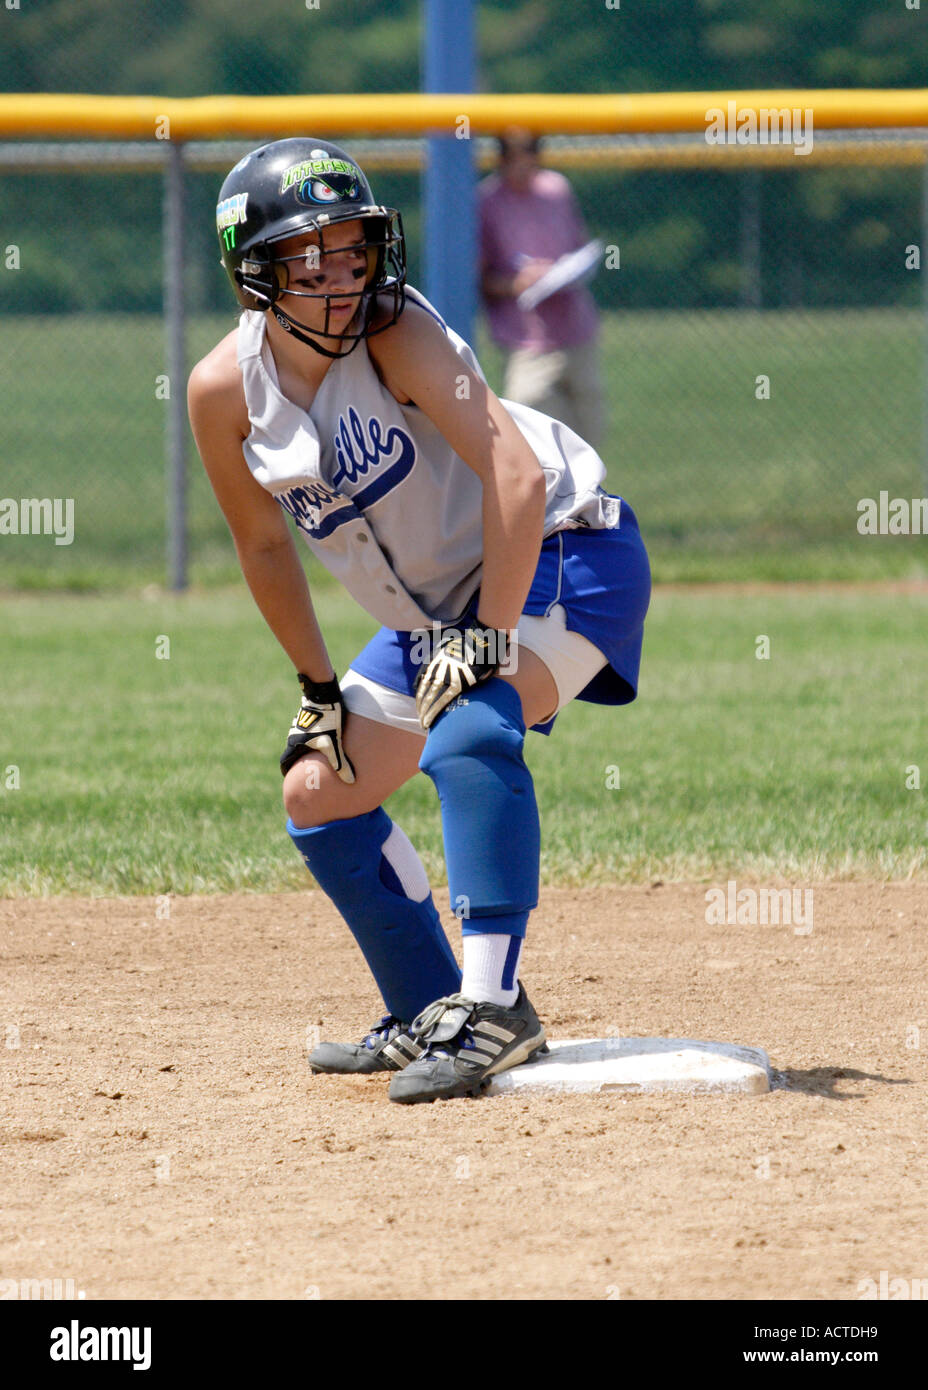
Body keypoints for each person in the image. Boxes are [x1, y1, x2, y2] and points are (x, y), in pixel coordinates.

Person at [188, 137, 650, 1105]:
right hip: (432, 610)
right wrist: (318, 687)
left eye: (351, 246)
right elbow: (264, 547)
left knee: (471, 725)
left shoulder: (398, 331)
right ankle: (428, 1006)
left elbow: (516, 477)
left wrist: (484, 633)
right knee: (321, 788)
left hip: (566, 551)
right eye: (305, 258)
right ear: (251, 273)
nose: (339, 274)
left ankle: (495, 1008)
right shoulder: (222, 390)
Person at [479, 127, 605, 449]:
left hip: (575, 328)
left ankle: (588, 498)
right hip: (527, 337)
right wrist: (516, 283)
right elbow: (479, 279)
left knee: (588, 431)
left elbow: (578, 246)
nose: (523, 165)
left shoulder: (556, 189)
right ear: (501, 159)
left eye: (530, 154)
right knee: (528, 419)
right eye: (514, 156)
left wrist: (566, 270)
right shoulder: (486, 202)